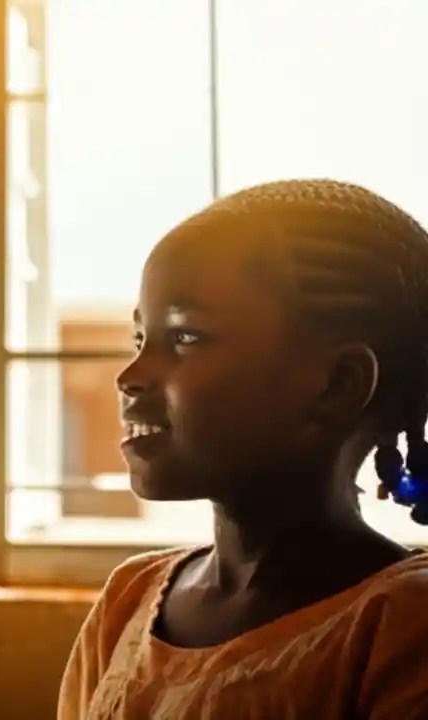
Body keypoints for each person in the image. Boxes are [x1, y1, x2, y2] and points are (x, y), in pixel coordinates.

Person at [57, 179, 428, 719]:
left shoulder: (402, 626)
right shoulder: (128, 602)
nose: (130, 376)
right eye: (141, 340)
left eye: (186, 337)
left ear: (337, 384)